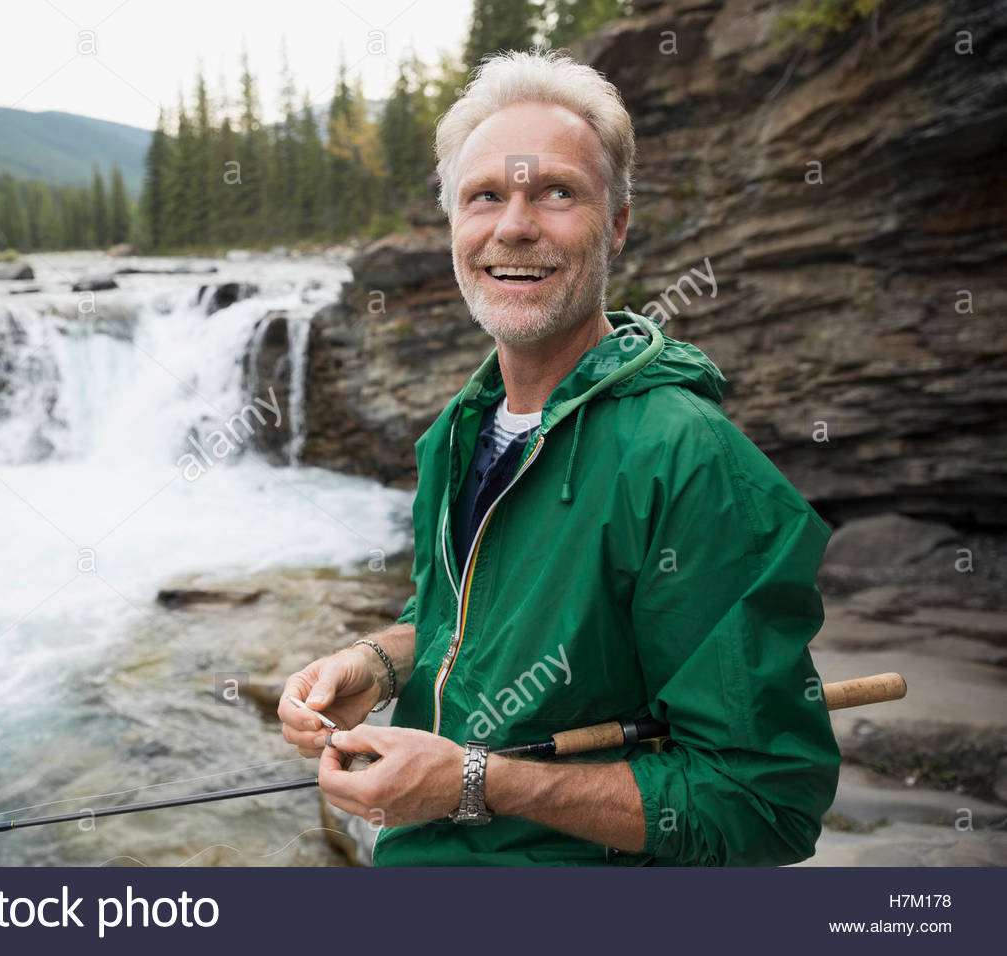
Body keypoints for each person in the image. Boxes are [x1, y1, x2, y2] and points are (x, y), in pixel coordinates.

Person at [277, 50, 840, 866]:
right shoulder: (458, 434)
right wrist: (376, 665)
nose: (514, 226)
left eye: (556, 192)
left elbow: (763, 803)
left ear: (615, 224)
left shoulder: (689, 460)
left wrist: (477, 782)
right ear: (453, 228)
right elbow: (459, 623)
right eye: (485, 197)